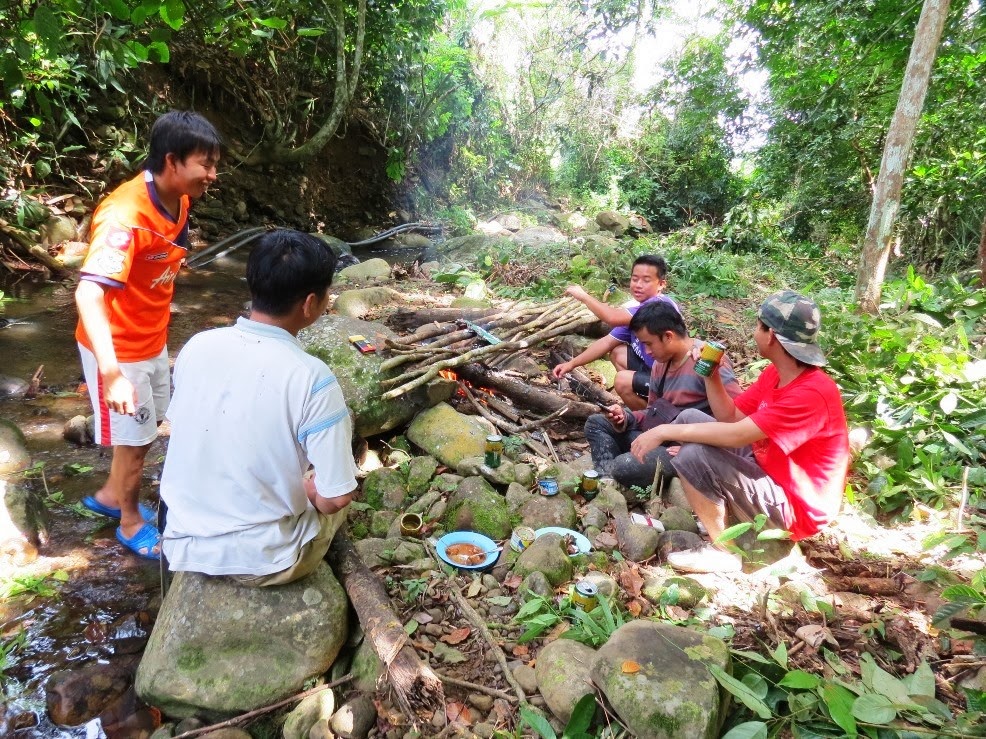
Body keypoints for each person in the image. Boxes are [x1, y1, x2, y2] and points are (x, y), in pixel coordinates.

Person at [160, 229, 358, 586]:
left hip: (184, 542)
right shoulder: (312, 377)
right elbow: (337, 497)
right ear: (310, 304)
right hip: (263, 558)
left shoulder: (197, 346)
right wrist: (311, 490)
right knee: (329, 488)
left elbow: (184, 428)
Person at [75, 111, 222, 560]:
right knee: (138, 444)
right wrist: (112, 374)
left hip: (151, 339)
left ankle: (108, 495)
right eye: (205, 165)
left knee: (146, 427)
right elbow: (88, 293)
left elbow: (166, 252)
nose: (213, 175)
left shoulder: (179, 199)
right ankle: (130, 522)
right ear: (172, 161)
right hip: (119, 350)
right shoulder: (124, 217)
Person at [630, 291, 850, 573]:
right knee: (689, 417)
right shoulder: (775, 374)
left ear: (771, 336)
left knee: (692, 455)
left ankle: (725, 551)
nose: (755, 332)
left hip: (796, 507)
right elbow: (730, 417)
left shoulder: (811, 393)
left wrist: (662, 430)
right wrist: (710, 376)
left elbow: (736, 434)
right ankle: (724, 516)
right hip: (768, 471)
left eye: (759, 326)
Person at [584, 300, 742, 490]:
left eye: (649, 344)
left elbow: (735, 422)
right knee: (596, 423)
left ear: (668, 336)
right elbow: (654, 413)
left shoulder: (707, 360)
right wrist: (625, 418)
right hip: (659, 436)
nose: (647, 352)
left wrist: (694, 449)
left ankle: (619, 473)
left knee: (625, 467)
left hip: (684, 448)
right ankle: (606, 479)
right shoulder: (660, 363)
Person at [552, 255, 680, 409]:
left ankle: (651, 414)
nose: (638, 285)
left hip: (672, 380)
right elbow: (606, 342)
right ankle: (643, 404)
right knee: (618, 352)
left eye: (646, 280)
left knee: (622, 380)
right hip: (652, 370)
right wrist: (571, 364)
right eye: (635, 279)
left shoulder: (660, 306)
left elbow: (612, 318)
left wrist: (584, 297)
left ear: (661, 284)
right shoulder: (639, 312)